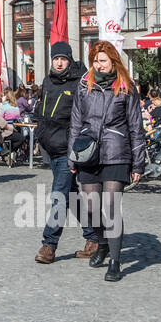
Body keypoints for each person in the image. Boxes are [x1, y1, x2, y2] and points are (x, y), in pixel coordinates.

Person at [68, 41, 147, 283]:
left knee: (111, 207)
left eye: (102, 60)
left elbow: (136, 127)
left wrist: (138, 164)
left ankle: (114, 260)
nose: (98, 65)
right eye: (95, 60)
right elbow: (76, 122)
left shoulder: (126, 87)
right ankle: (101, 243)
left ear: (113, 60)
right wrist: (73, 154)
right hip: (89, 151)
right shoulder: (84, 86)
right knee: (91, 207)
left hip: (117, 152)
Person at [34, 41, 101, 264]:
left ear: (70, 60)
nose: (59, 62)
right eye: (56, 58)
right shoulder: (47, 80)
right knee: (71, 195)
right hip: (50, 147)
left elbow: (87, 115)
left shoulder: (80, 82)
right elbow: (42, 110)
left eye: (63, 58)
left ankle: (49, 245)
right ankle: (94, 238)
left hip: (68, 150)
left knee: (59, 195)